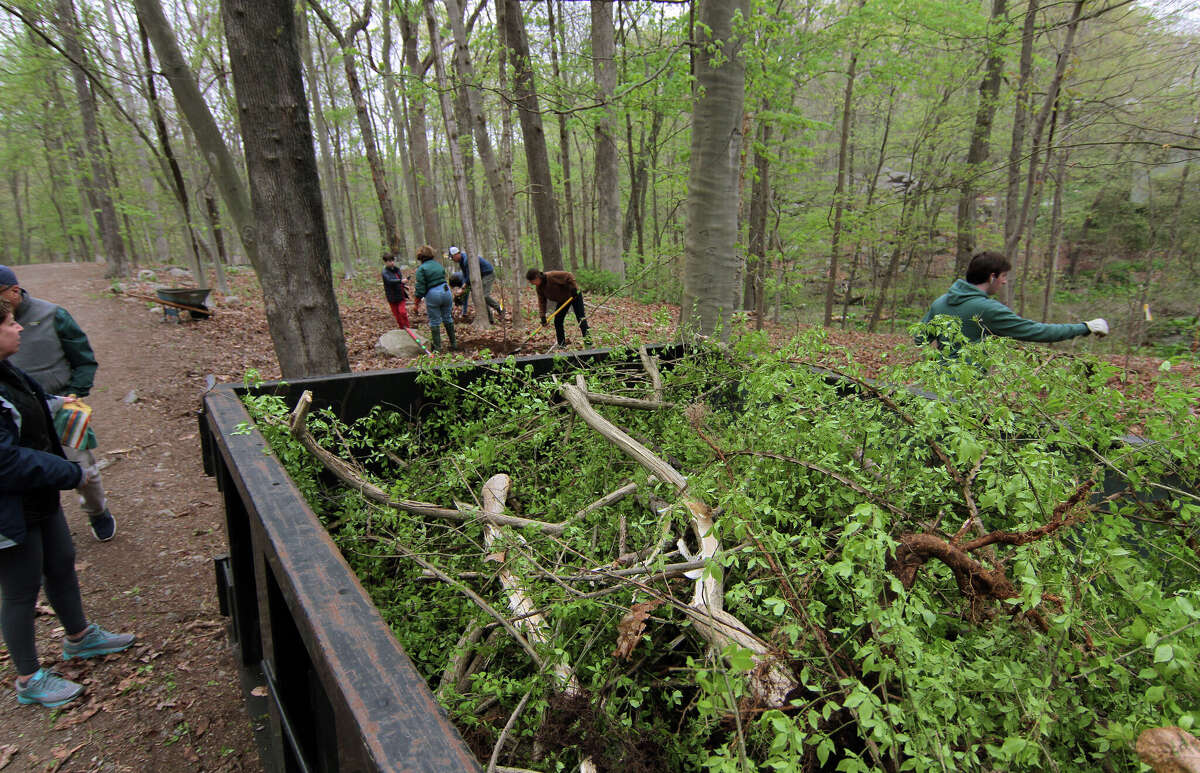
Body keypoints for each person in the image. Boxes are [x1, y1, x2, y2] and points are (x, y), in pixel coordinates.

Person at [0, 298, 135, 708]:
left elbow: (36, 404)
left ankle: (79, 638)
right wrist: (70, 473)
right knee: (20, 590)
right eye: (8, 322)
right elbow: (5, 462)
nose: (19, 327)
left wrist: (63, 406)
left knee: (60, 561)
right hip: (8, 509)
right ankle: (29, 678)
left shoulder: (9, 372)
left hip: (36, 498)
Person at [0, 266, 116, 542]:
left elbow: (83, 356)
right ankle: (43, 528)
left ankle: (98, 511)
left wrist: (77, 391)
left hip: (60, 407)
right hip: (14, 414)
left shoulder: (52, 314)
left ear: (14, 291)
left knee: (82, 465)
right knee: (27, 469)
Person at [920, 251, 1108, 357]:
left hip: (937, 389)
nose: (1004, 282)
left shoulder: (941, 302)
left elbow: (919, 339)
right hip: (968, 393)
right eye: (1003, 276)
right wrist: (1085, 327)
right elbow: (1038, 331)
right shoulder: (987, 310)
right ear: (992, 276)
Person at [525, 268, 591, 349]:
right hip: (563, 300)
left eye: (532, 282)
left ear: (537, 277)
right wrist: (542, 316)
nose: (532, 284)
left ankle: (588, 343)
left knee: (581, 319)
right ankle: (562, 345)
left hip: (574, 295)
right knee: (557, 321)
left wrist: (574, 288)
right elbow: (542, 302)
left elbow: (569, 275)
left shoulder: (552, 276)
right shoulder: (539, 288)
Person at [413, 245, 457, 352]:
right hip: (446, 291)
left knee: (435, 321)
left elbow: (420, 288)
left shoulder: (421, 269)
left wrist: (416, 303)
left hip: (433, 294)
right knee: (447, 317)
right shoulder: (438, 265)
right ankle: (454, 344)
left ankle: (438, 348)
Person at [448, 246, 503, 324]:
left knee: (484, 296)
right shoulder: (461, 261)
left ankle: (500, 309)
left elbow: (469, 276)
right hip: (479, 276)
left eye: (452, 257)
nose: (453, 260)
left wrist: (463, 288)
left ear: (456, 254)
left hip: (487, 274)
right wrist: (462, 289)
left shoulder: (466, 260)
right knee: (478, 297)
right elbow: (465, 276)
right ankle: (489, 319)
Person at [380, 253, 410, 329]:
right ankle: (402, 328)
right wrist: (401, 281)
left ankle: (408, 327)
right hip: (392, 297)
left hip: (400, 295)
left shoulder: (397, 270)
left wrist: (404, 286)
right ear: (385, 262)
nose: (392, 262)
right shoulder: (385, 272)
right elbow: (390, 281)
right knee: (397, 316)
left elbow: (399, 281)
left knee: (402, 312)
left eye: (392, 260)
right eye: (389, 261)